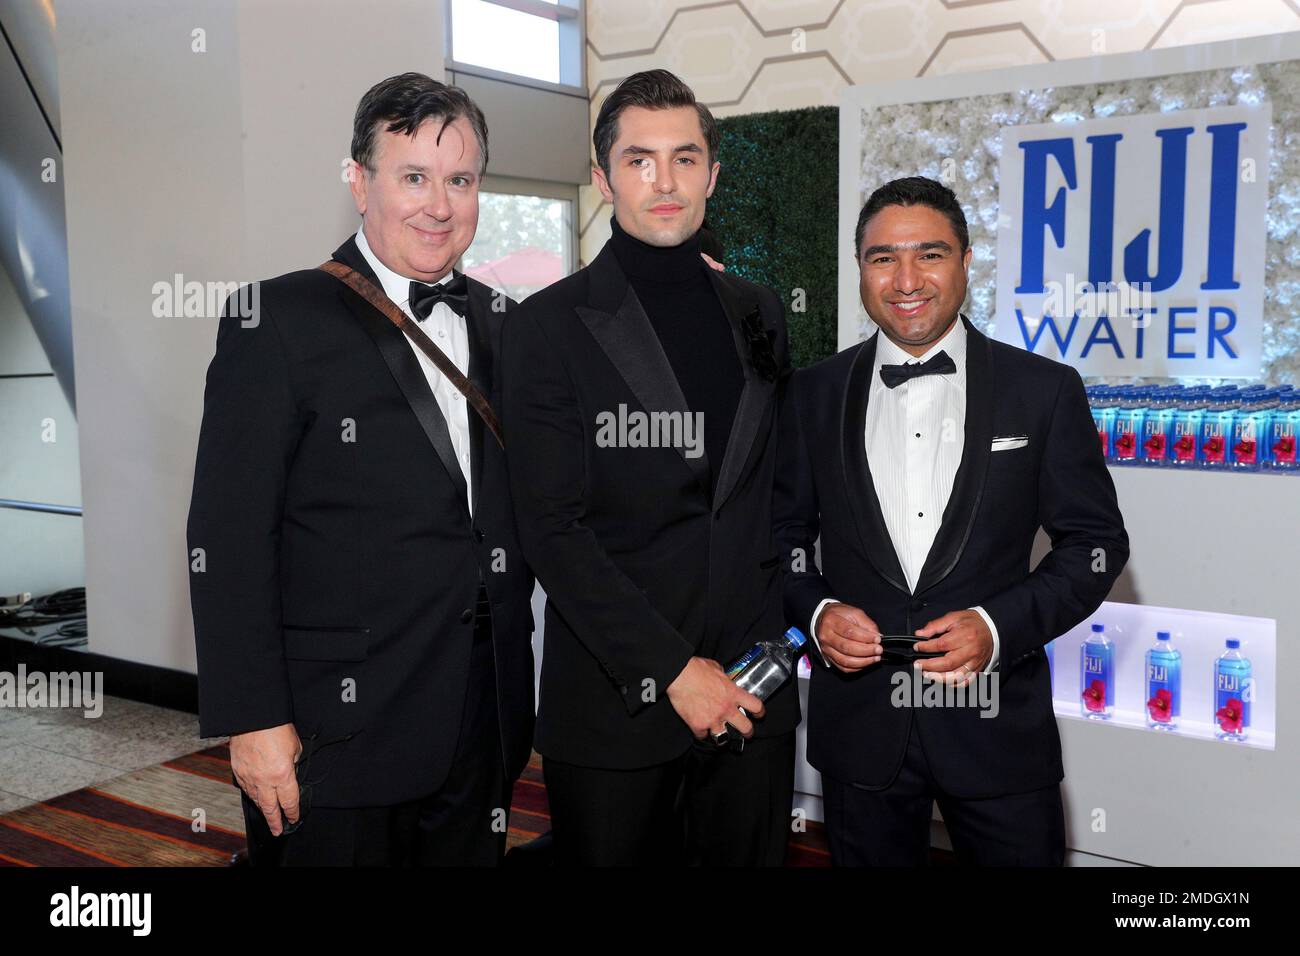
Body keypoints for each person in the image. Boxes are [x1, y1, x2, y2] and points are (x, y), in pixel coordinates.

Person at [187, 73, 534, 866]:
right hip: (330, 734)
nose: (438, 205)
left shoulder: (511, 324)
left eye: (460, 180)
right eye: (412, 177)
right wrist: (254, 720)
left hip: (484, 721)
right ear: (358, 182)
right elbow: (227, 535)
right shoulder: (274, 319)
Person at [773, 176, 1128, 866]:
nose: (906, 279)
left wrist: (998, 627)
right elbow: (780, 539)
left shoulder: (1044, 390)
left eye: (929, 255)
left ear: (966, 261)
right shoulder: (811, 394)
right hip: (860, 732)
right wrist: (815, 611)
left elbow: (1095, 545)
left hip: (998, 728)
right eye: (883, 259)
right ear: (860, 271)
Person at [501, 69, 795, 866]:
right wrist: (672, 670)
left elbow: (768, 491)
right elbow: (550, 530)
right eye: (638, 160)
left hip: (751, 694)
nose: (664, 182)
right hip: (615, 705)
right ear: (602, 179)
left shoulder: (758, 309)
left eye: (685, 158)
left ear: (712, 173)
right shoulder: (545, 328)